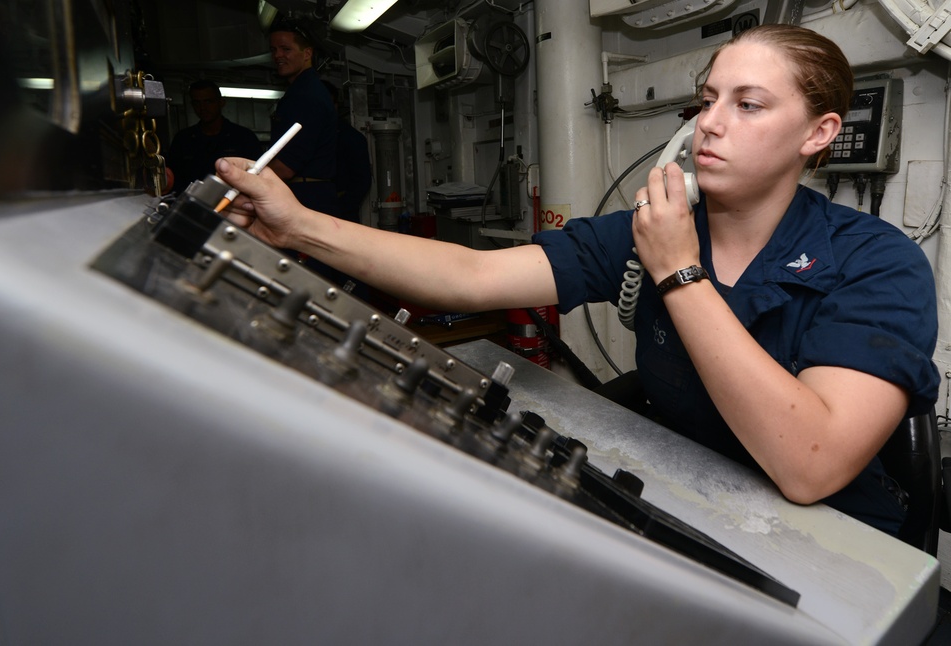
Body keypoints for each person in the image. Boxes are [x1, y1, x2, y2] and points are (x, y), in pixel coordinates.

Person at [212, 24, 940, 538]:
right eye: (707, 100)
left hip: (837, 540)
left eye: (747, 105)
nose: (709, 125)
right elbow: (470, 275)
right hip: (693, 501)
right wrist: (297, 226)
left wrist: (679, 273)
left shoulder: (877, 263)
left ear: (818, 133)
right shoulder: (652, 225)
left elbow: (810, 466)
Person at [266, 19, 339, 218]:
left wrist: (246, 181)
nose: (277, 55)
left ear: (307, 54)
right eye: (274, 50)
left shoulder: (306, 96)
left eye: (285, 49)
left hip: (306, 198)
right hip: (309, 195)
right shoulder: (304, 91)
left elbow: (286, 167)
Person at [165, 79, 262, 195]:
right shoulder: (182, 140)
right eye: (197, 103)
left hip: (233, 201)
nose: (202, 108)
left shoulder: (244, 138)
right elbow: (172, 180)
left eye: (208, 102)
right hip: (192, 202)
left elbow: (257, 175)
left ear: (221, 103)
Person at [323, 80, 372, 224]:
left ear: (335, 106)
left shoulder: (350, 137)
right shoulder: (312, 137)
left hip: (342, 216)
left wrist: (339, 205)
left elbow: (362, 181)